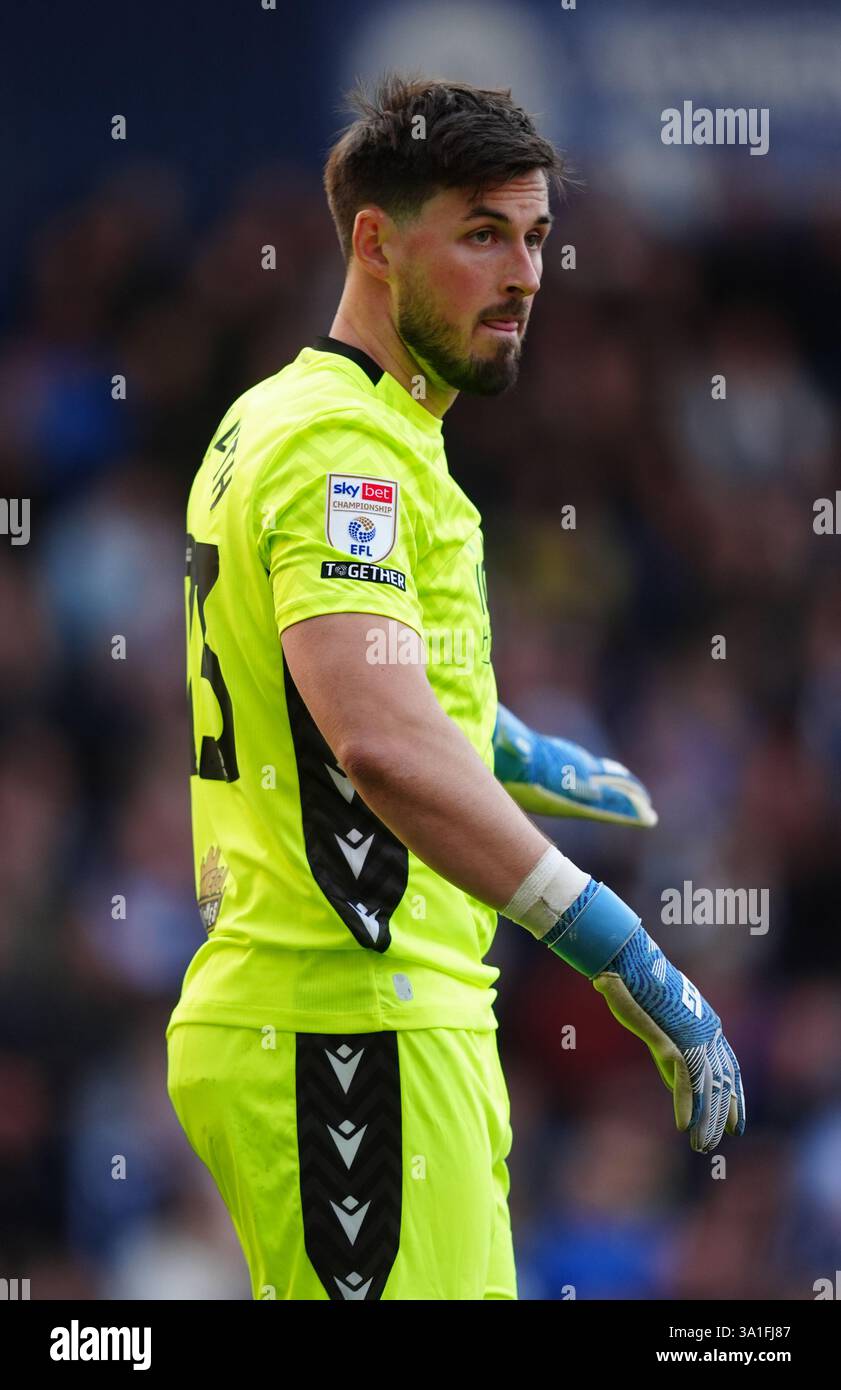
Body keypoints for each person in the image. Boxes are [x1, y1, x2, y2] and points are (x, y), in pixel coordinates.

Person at [166, 71, 745, 1302]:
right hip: (348, 1022)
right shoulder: (346, 450)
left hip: (368, 1017)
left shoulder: (298, 418)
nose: (524, 276)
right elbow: (377, 742)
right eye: (482, 235)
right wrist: (620, 950)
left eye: (536, 239)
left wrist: (496, 733)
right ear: (374, 243)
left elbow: (329, 681)